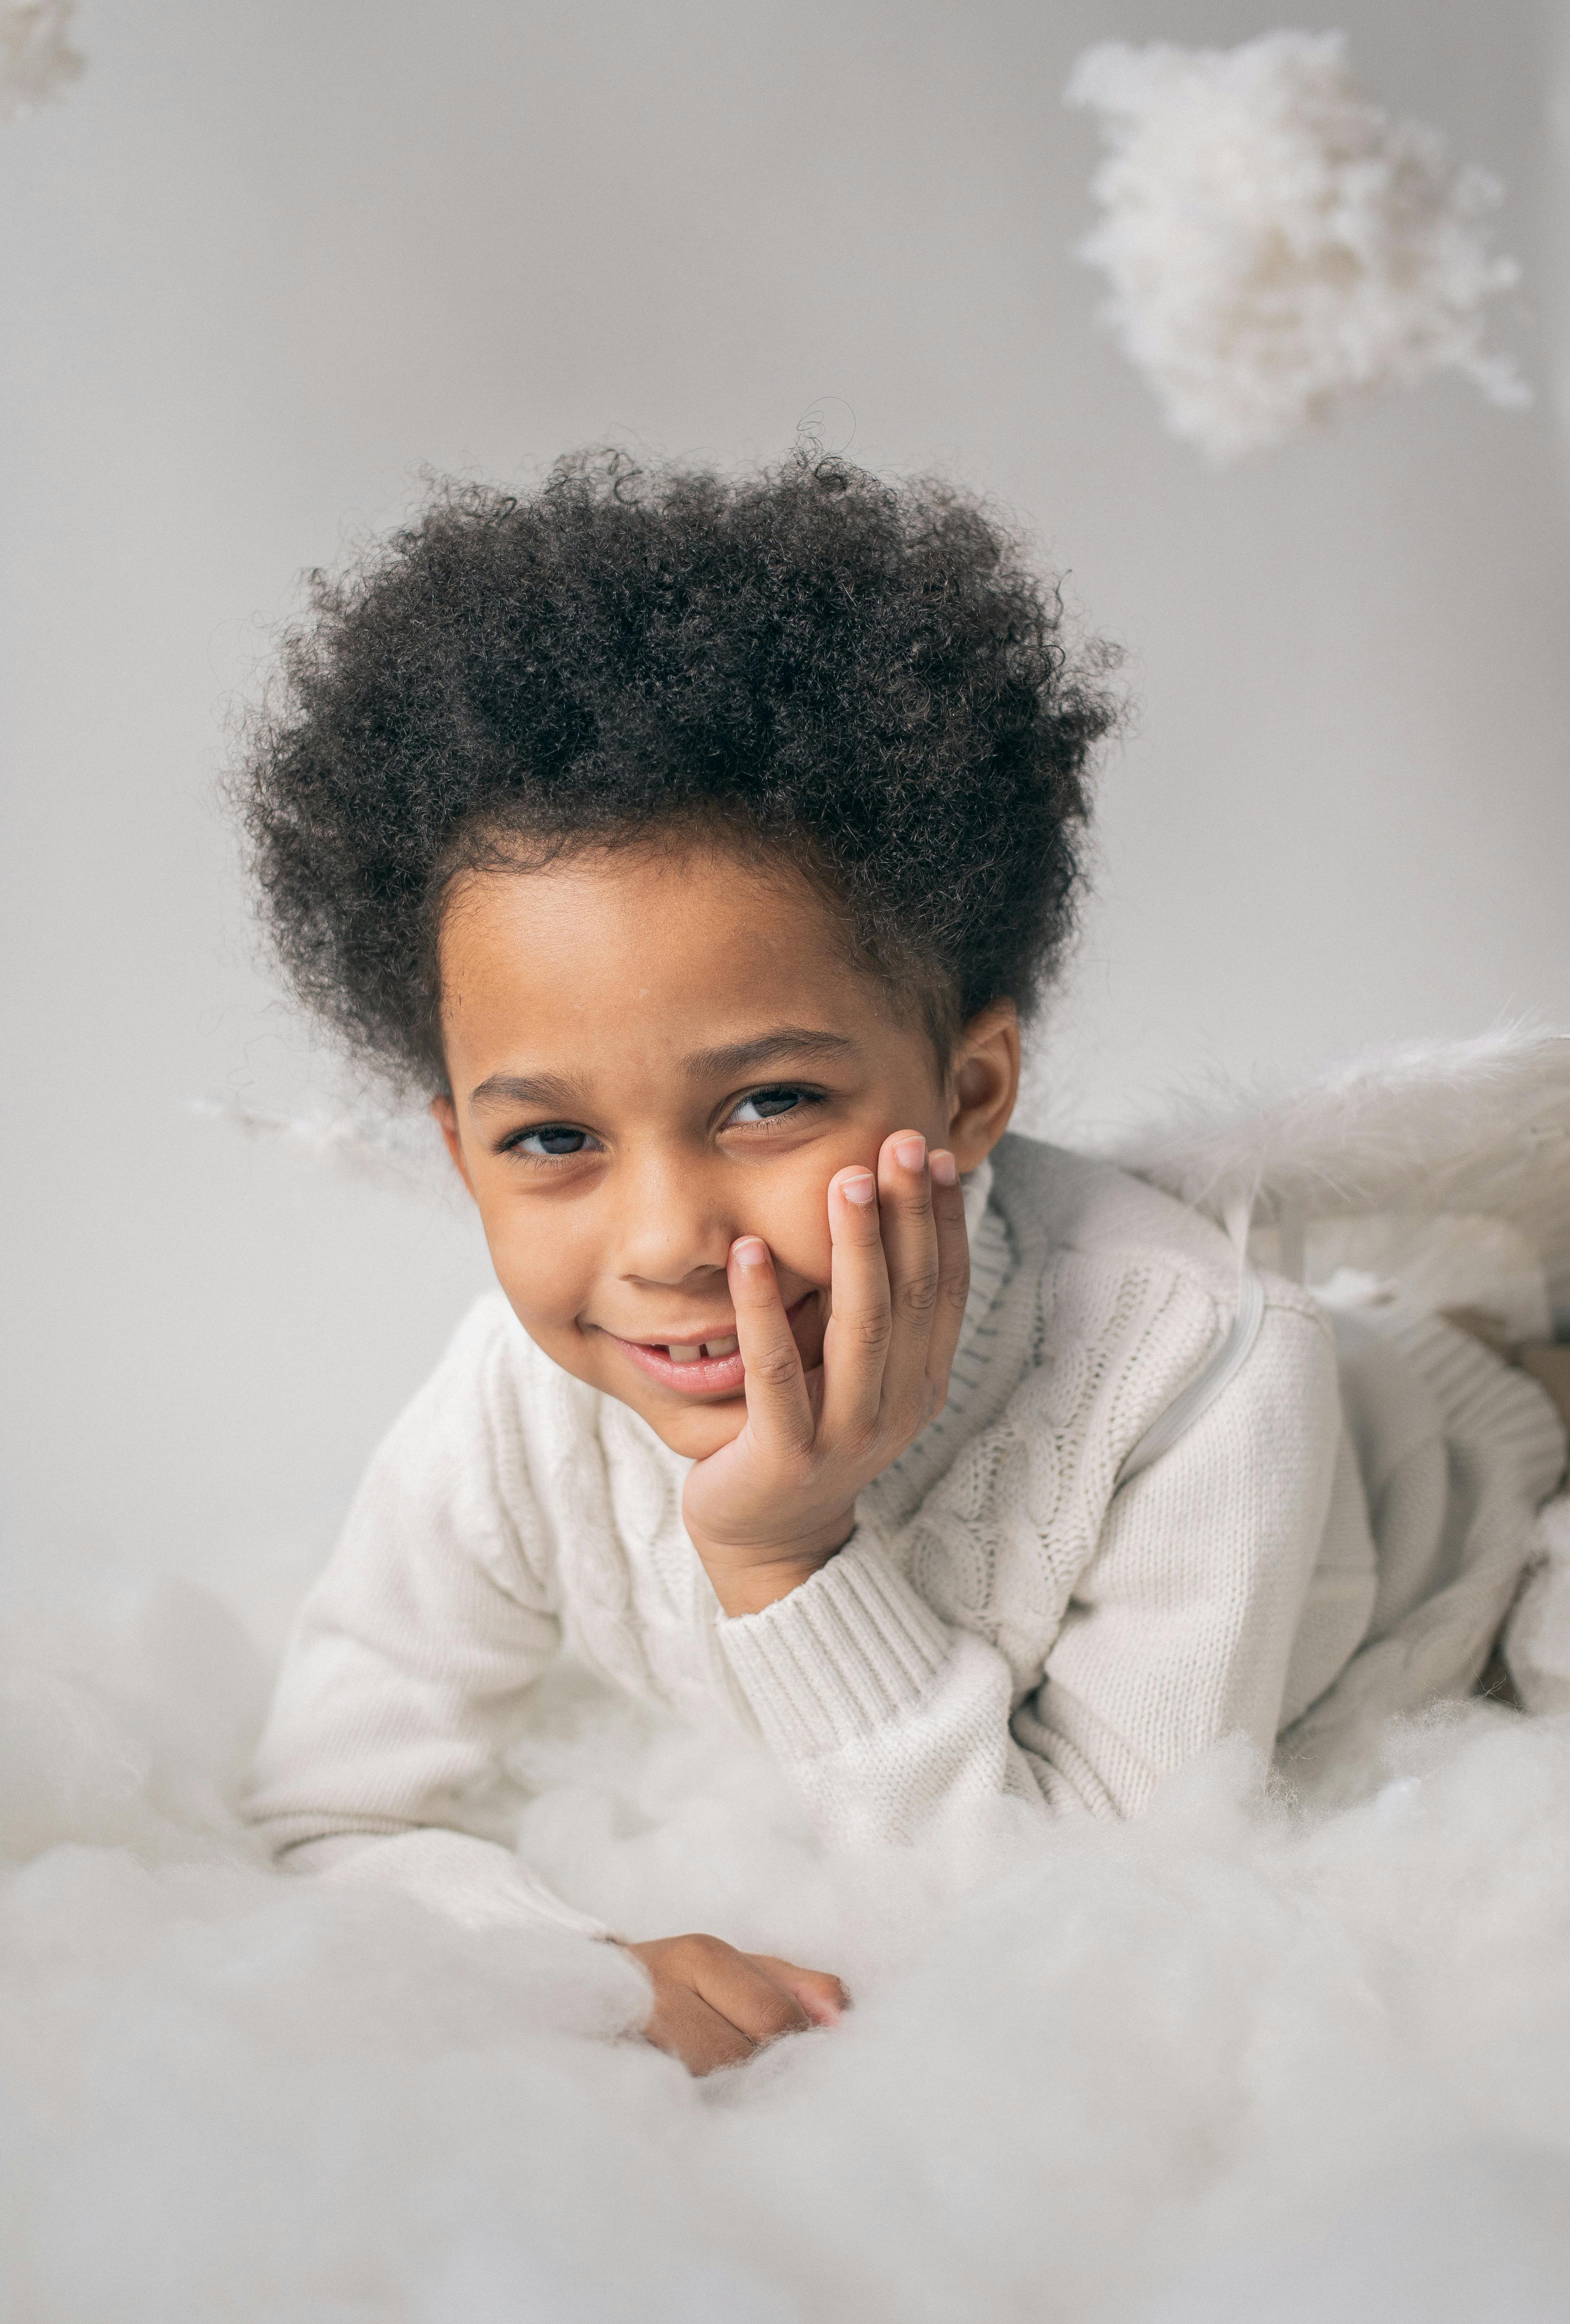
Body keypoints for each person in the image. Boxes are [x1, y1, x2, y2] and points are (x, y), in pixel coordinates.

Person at [238, 452, 1567, 2075]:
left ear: (973, 1090)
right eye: (551, 1142)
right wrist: (568, 1965)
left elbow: (1091, 1925)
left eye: (769, 1104)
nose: (664, 1245)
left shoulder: (1202, 1372)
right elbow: (326, 1808)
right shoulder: (517, 1404)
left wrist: (784, 1561)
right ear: (459, 1152)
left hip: (1482, 1495)